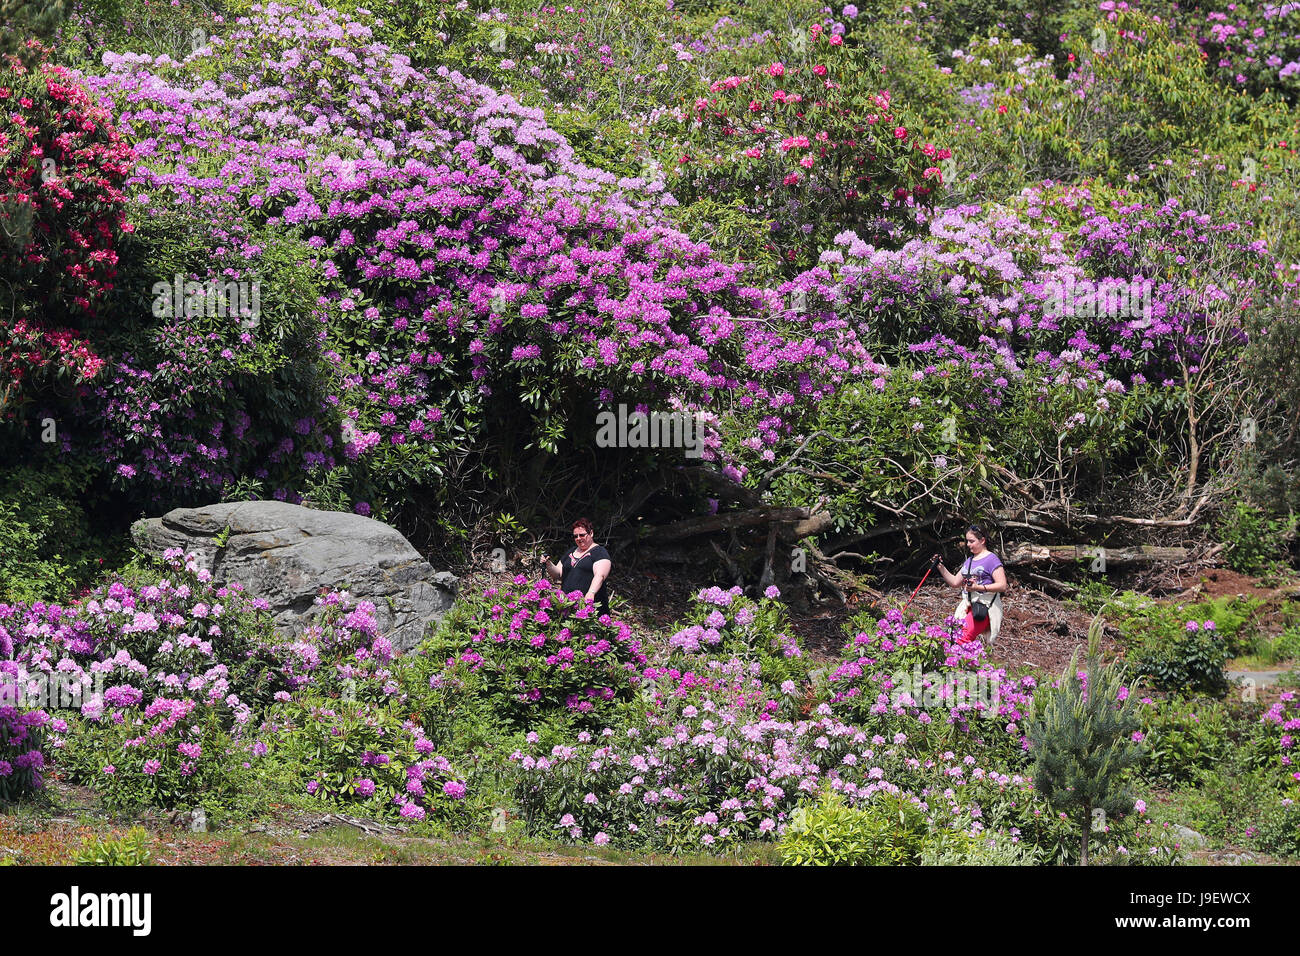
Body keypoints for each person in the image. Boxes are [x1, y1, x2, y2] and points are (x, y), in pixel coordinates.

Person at [932, 523, 1007, 646]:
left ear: (982, 540)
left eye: (971, 541)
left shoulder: (992, 559)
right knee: (954, 637)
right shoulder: (970, 561)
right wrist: (940, 566)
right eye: (967, 541)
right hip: (968, 606)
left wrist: (978, 588)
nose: (968, 545)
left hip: (984, 607)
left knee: (962, 639)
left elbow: (1002, 585)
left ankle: (965, 662)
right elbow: (955, 582)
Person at [542, 517, 612, 617]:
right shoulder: (571, 551)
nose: (578, 538)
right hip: (567, 606)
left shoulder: (599, 552)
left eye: (582, 535)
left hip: (590, 609)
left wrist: (591, 593)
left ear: (591, 533)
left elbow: (600, 575)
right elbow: (557, 574)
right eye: (575, 536)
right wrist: (548, 563)